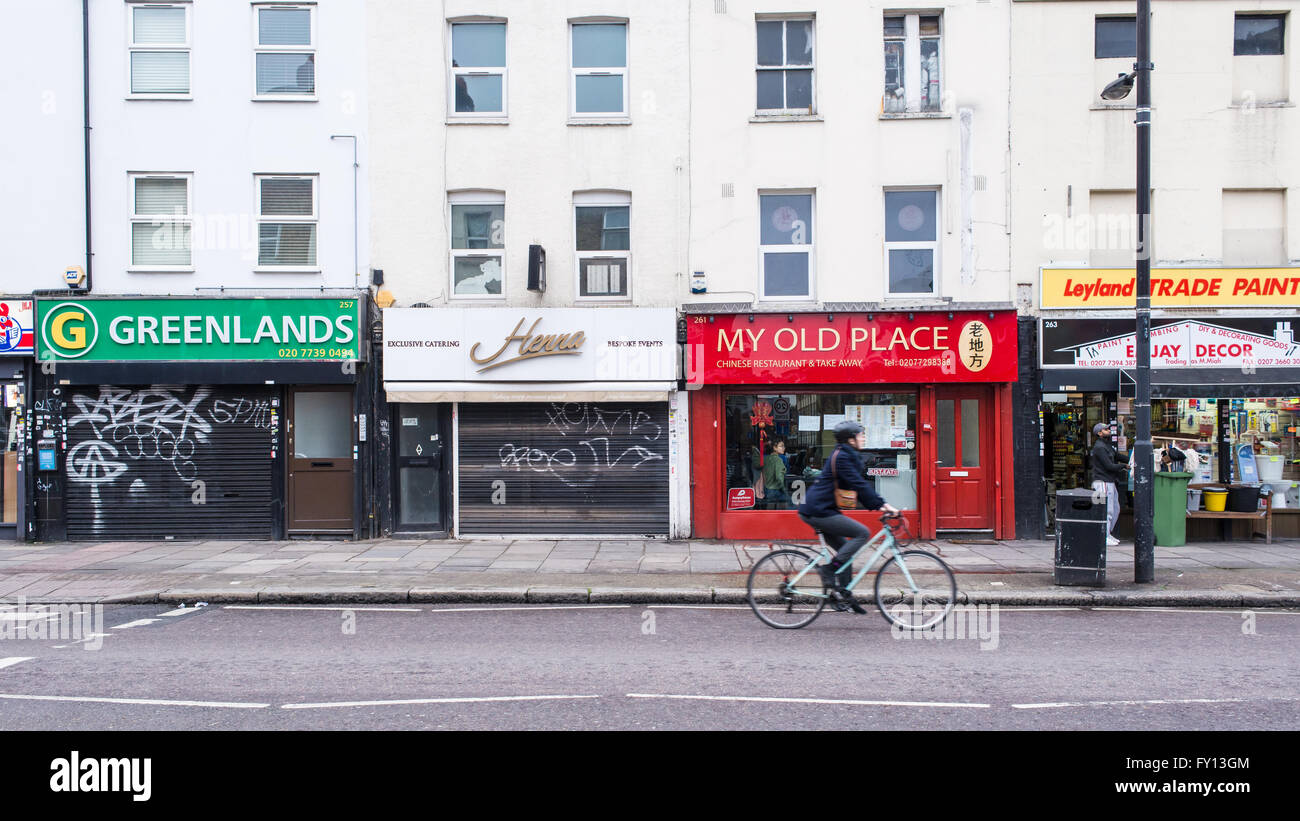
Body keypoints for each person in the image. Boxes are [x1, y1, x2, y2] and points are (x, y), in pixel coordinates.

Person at [798, 420, 899, 612]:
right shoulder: (843, 457)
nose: (863, 437)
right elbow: (859, 485)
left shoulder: (845, 455)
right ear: (851, 440)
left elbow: (856, 484)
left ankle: (843, 595)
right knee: (862, 533)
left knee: (846, 551)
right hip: (818, 510)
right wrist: (883, 505)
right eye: (860, 435)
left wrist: (877, 504)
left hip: (821, 509)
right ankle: (828, 570)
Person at [1090, 422, 1124, 546]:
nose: (1109, 430)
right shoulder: (1099, 447)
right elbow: (1108, 465)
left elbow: (1117, 456)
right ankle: (1103, 535)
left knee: (1116, 508)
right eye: (1106, 429)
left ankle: (1108, 533)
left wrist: (1131, 458)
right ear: (1099, 433)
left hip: (1109, 481)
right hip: (1102, 481)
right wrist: (1124, 466)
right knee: (1106, 509)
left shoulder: (1107, 445)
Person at [761, 438, 789, 509]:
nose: (784, 448)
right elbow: (785, 472)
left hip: (768, 487)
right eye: (781, 446)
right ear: (774, 448)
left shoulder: (764, 458)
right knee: (782, 507)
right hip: (779, 486)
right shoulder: (782, 458)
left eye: (784, 446)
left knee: (770, 507)